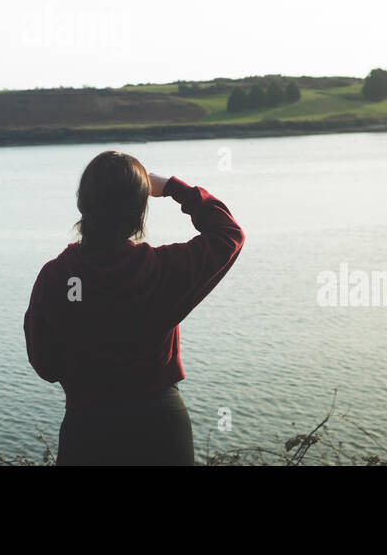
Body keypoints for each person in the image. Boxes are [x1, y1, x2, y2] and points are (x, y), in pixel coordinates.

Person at [24, 149, 246, 465]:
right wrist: (173, 187)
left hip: (88, 429)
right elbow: (228, 234)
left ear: (82, 204)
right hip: (160, 426)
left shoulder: (57, 277)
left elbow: (45, 365)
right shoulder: (163, 269)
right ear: (139, 212)